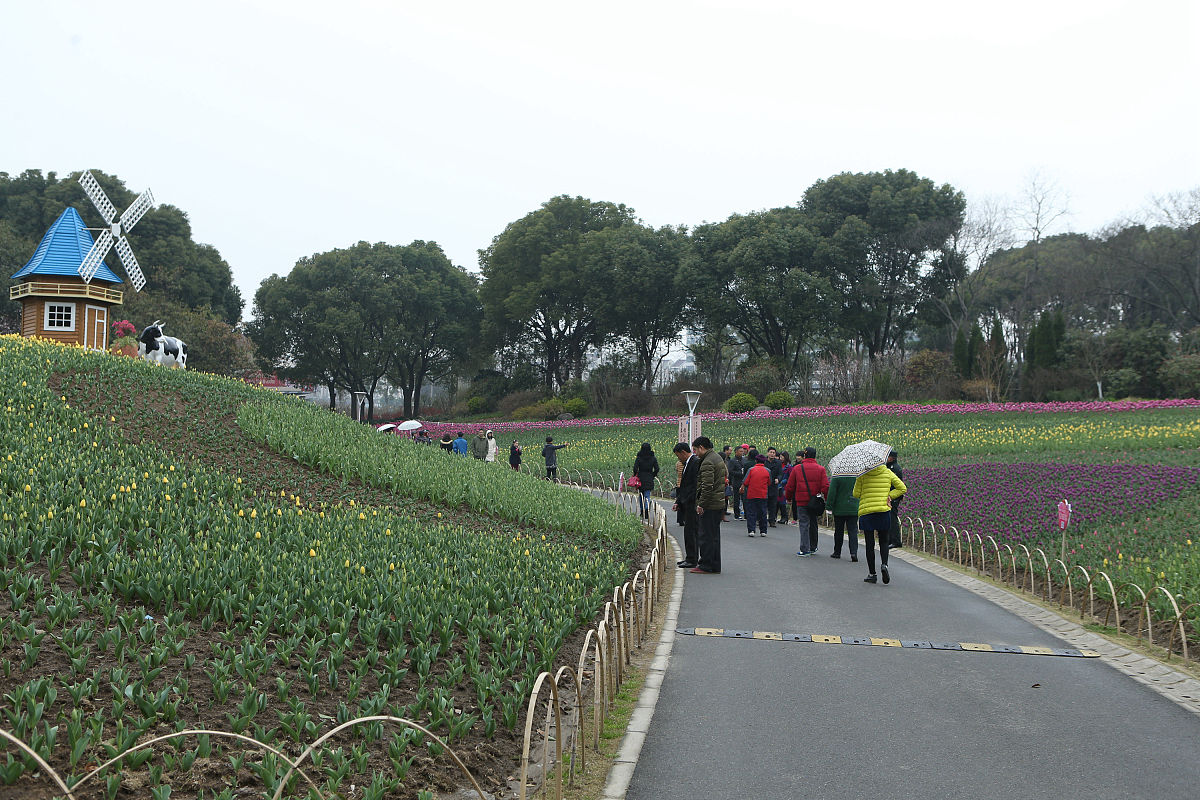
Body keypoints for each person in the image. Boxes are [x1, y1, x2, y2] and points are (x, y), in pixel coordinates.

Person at [853, 463, 908, 584]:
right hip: (883, 511)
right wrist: (889, 496)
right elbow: (902, 488)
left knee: (869, 543)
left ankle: (872, 574)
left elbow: (856, 494)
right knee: (884, 540)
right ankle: (884, 565)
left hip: (867, 512)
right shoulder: (887, 472)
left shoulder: (862, 475)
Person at [691, 436, 726, 574]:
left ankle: (706, 564)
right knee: (714, 536)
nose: (695, 453)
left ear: (701, 447)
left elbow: (707, 486)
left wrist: (701, 504)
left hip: (710, 504)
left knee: (706, 536)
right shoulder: (717, 457)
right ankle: (714, 565)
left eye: (695, 450)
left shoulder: (707, 462)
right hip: (718, 503)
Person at [786, 447, 829, 557]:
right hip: (814, 501)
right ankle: (813, 547)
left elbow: (790, 486)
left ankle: (804, 549)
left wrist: (789, 498)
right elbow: (825, 486)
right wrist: (827, 499)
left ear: (805, 456)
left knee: (804, 524)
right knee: (813, 524)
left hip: (801, 500)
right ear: (815, 456)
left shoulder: (797, 468)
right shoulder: (821, 469)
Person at [672, 442, 700, 568]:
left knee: (691, 532)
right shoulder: (688, 463)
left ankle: (692, 559)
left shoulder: (694, 463)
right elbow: (683, 486)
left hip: (691, 503)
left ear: (683, 452)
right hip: (686, 502)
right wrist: (678, 501)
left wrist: (685, 501)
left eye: (679, 456)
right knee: (688, 531)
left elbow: (692, 486)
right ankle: (690, 557)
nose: (679, 459)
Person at [827, 471, 860, 561]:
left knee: (839, 531)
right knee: (853, 531)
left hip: (839, 508)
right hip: (853, 507)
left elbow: (832, 492)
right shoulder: (858, 476)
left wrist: (829, 506)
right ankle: (853, 553)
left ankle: (837, 552)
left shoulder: (837, 476)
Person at [740, 450, 770, 538]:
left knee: (751, 512)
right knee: (763, 513)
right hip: (763, 494)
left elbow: (745, 482)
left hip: (751, 494)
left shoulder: (751, 470)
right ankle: (763, 531)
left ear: (756, 461)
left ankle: (751, 530)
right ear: (764, 461)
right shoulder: (767, 470)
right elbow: (769, 482)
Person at [632, 442, 660, 519]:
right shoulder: (653, 458)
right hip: (649, 477)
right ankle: (647, 509)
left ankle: (642, 511)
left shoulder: (639, 457)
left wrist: (636, 474)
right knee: (647, 494)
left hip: (641, 478)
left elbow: (635, 468)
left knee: (641, 495)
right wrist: (653, 475)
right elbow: (657, 468)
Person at [886, 450, 905, 548]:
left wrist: (896, 497)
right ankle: (890, 539)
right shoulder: (889, 467)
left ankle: (896, 541)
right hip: (890, 496)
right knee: (889, 519)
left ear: (892, 458)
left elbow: (899, 484)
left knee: (893, 519)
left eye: (888, 457)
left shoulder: (895, 468)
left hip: (893, 497)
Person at [727, 444, 748, 520]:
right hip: (736, 482)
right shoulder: (732, 461)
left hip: (744, 482)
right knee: (736, 499)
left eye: (742, 451)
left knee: (745, 499)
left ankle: (746, 514)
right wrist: (740, 473)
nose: (742, 453)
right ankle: (737, 514)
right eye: (740, 451)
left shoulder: (744, 460)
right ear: (736, 452)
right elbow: (731, 471)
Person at [764, 447, 782, 527]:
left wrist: (778, 479)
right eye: (770, 452)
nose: (772, 454)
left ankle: (772, 520)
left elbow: (780, 473)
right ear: (767, 453)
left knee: (773, 504)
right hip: (765, 485)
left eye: (773, 453)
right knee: (763, 504)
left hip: (774, 486)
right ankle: (761, 520)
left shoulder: (778, 463)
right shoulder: (764, 461)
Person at [776, 451, 792, 524]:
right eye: (780, 457)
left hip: (784, 487)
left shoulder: (789, 467)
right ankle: (774, 516)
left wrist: (784, 481)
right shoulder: (779, 465)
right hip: (777, 485)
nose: (781, 458)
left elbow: (791, 477)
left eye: (782, 457)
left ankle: (784, 517)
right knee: (776, 502)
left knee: (782, 502)